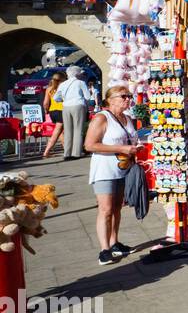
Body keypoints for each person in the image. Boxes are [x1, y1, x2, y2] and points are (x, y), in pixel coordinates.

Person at [84, 84, 141, 265]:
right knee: (106, 209)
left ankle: (114, 242)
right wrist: (121, 148)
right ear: (110, 99)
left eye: (129, 96)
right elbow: (90, 145)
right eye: (123, 96)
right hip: (105, 169)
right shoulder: (102, 117)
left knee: (117, 207)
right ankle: (104, 250)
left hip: (123, 168)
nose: (127, 99)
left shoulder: (127, 118)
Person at [52, 65, 93, 159]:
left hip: (66, 107)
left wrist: (63, 100)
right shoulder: (81, 83)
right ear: (77, 74)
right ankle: (76, 153)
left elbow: (55, 98)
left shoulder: (63, 84)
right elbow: (87, 97)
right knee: (78, 130)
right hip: (78, 105)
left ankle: (67, 153)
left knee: (67, 130)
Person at [41, 72, 66, 159]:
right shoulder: (63, 88)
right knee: (57, 131)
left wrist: (46, 111)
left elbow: (45, 103)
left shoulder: (49, 89)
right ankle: (46, 152)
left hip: (53, 112)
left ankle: (66, 149)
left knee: (60, 132)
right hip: (61, 110)